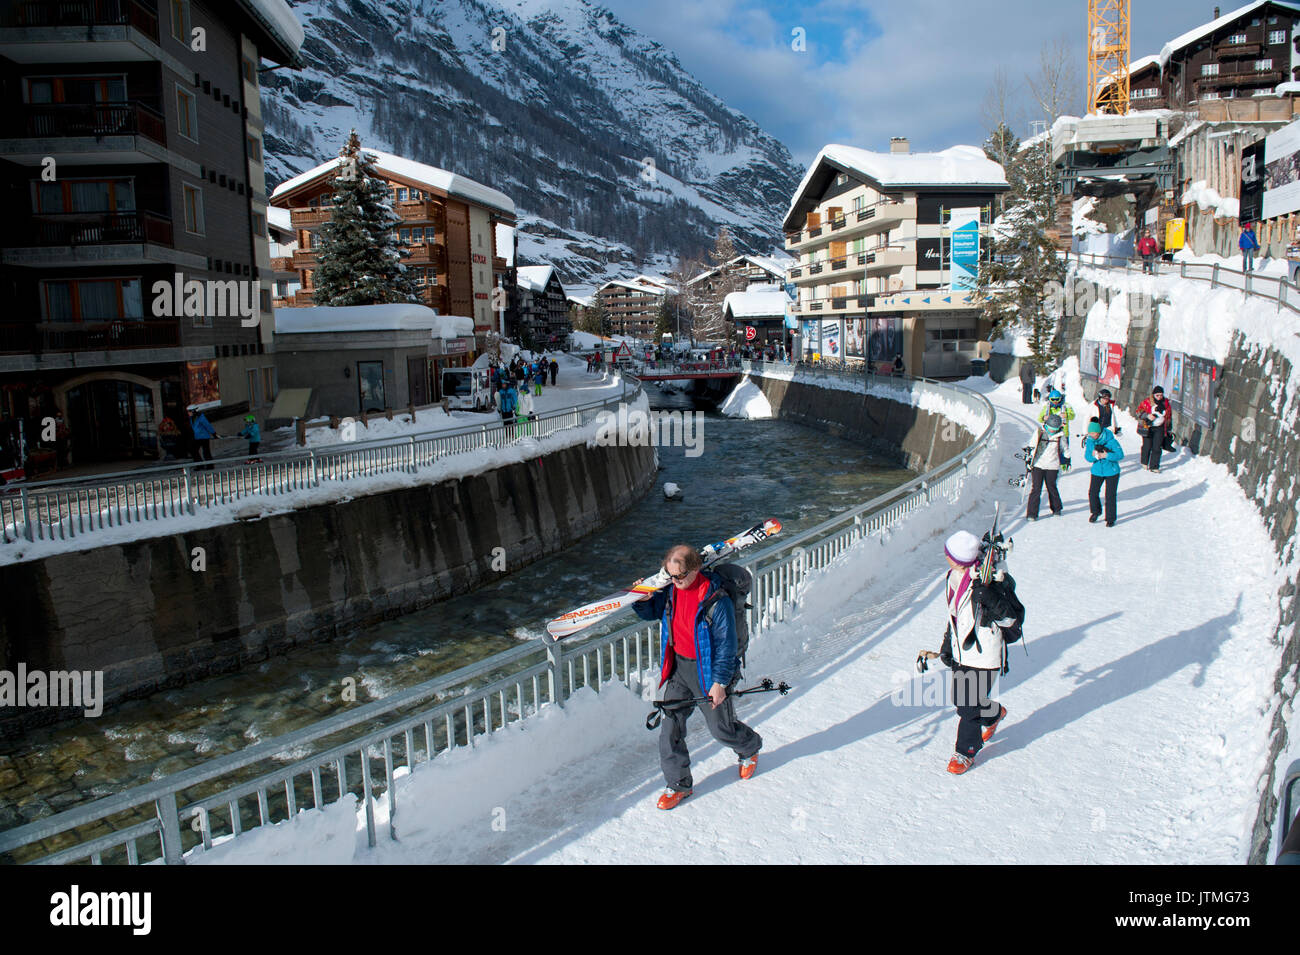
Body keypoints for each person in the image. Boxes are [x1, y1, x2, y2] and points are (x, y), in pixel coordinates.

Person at [633, 544, 762, 809]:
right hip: (679, 669)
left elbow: (726, 647)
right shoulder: (671, 591)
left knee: (721, 729)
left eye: (680, 576)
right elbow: (651, 613)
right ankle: (678, 785)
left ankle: (749, 747)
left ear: (695, 569)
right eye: (671, 576)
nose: (676, 581)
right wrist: (642, 600)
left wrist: (719, 683)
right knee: (670, 730)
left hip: (709, 670)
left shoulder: (716, 600)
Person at [938, 530, 1023, 775]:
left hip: (985, 654)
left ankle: (965, 752)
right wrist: (947, 643)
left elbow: (1012, 621)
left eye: (949, 554)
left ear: (961, 559)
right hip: (962, 651)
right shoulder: (954, 576)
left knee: (968, 707)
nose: (946, 557)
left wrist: (990, 600)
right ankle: (994, 713)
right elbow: (955, 616)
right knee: (961, 700)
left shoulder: (990, 583)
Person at [1084, 419, 1124, 526]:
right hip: (1097, 471)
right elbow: (1087, 457)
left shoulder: (1111, 441)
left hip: (1112, 471)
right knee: (1092, 492)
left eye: (1093, 433)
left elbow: (1120, 455)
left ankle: (1110, 518)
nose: (1092, 435)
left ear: (1099, 432)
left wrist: (1107, 455)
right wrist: (1094, 456)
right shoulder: (1090, 441)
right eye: (1090, 433)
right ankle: (1095, 512)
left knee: (1110, 495)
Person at [1026, 414, 1066, 521]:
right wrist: (1029, 459)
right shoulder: (1040, 432)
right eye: (1051, 429)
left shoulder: (1061, 436)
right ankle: (1032, 513)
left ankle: (1056, 508)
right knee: (1036, 488)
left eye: (1055, 429)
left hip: (1053, 465)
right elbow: (1032, 445)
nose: (1052, 431)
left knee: (1051, 487)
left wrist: (1066, 460)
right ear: (1046, 425)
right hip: (1038, 464)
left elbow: (1065, 449)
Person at [1136, 385, 1172, 472]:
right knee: (1147, 446)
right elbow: (1138, 412)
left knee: (1157, 447)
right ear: (1153, 395)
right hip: (1148, 427)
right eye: (1157, 395)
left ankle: (1154, 466)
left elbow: (1169, 416)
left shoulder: (1166, 403)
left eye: (1161, 395)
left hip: (1160, 427)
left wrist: (1168, 428)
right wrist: (1148, 416)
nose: (1159, 397)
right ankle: (1144, 462)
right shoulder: (1147, 402)